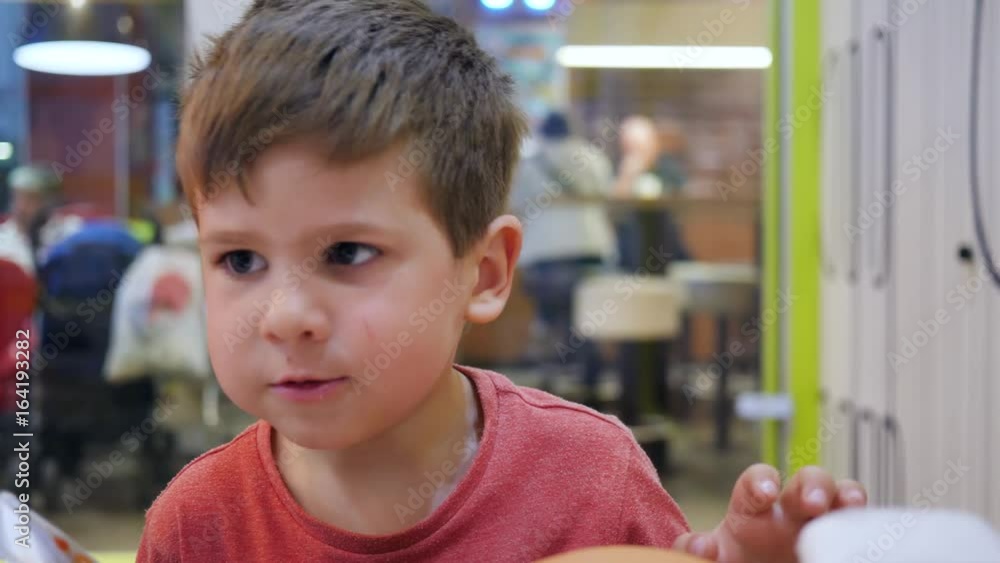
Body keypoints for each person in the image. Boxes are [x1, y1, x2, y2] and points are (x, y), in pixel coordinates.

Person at [138, 2, 867, 561]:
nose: (284, 316)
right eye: (239, 260)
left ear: (483, 273)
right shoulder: (196, 525)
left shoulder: (592, 481)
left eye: (349, 252)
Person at [510, 111, 616, 403]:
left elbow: (514, 202)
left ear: (543, 132)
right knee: (588, 319)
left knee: (548, 316)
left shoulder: (528, 163)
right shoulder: (594, 157)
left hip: (546, 254)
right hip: (592, 251)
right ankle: (590, 379)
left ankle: (548, 384)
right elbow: (610, 193)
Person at [0, 163, 62, 273]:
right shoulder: (3, 237)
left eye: (31, 199)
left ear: (48, 202)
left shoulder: (67, 232)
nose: (21, 206)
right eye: (17, 198)